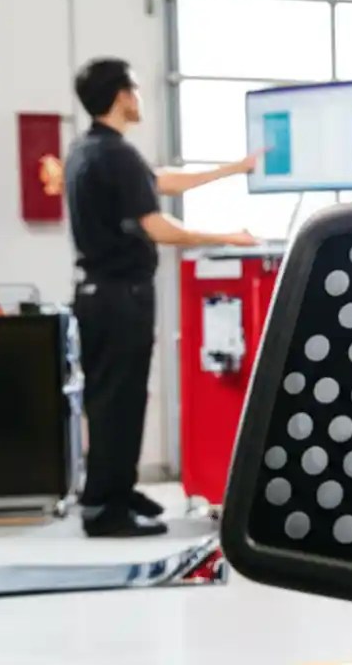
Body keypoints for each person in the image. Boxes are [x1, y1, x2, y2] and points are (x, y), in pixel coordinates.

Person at [65, 57, 260, 537]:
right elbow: (157, 225)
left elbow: (162, 181)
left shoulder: (89, 151)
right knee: (121, 400)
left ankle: (111, 491)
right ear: (122, 95)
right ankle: (106, 512)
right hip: (120, 296)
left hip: (95, 295)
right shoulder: (116, 156)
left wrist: (233, 169)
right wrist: (226, 238)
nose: (141, 97)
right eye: (135, 88)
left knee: (111, 398)